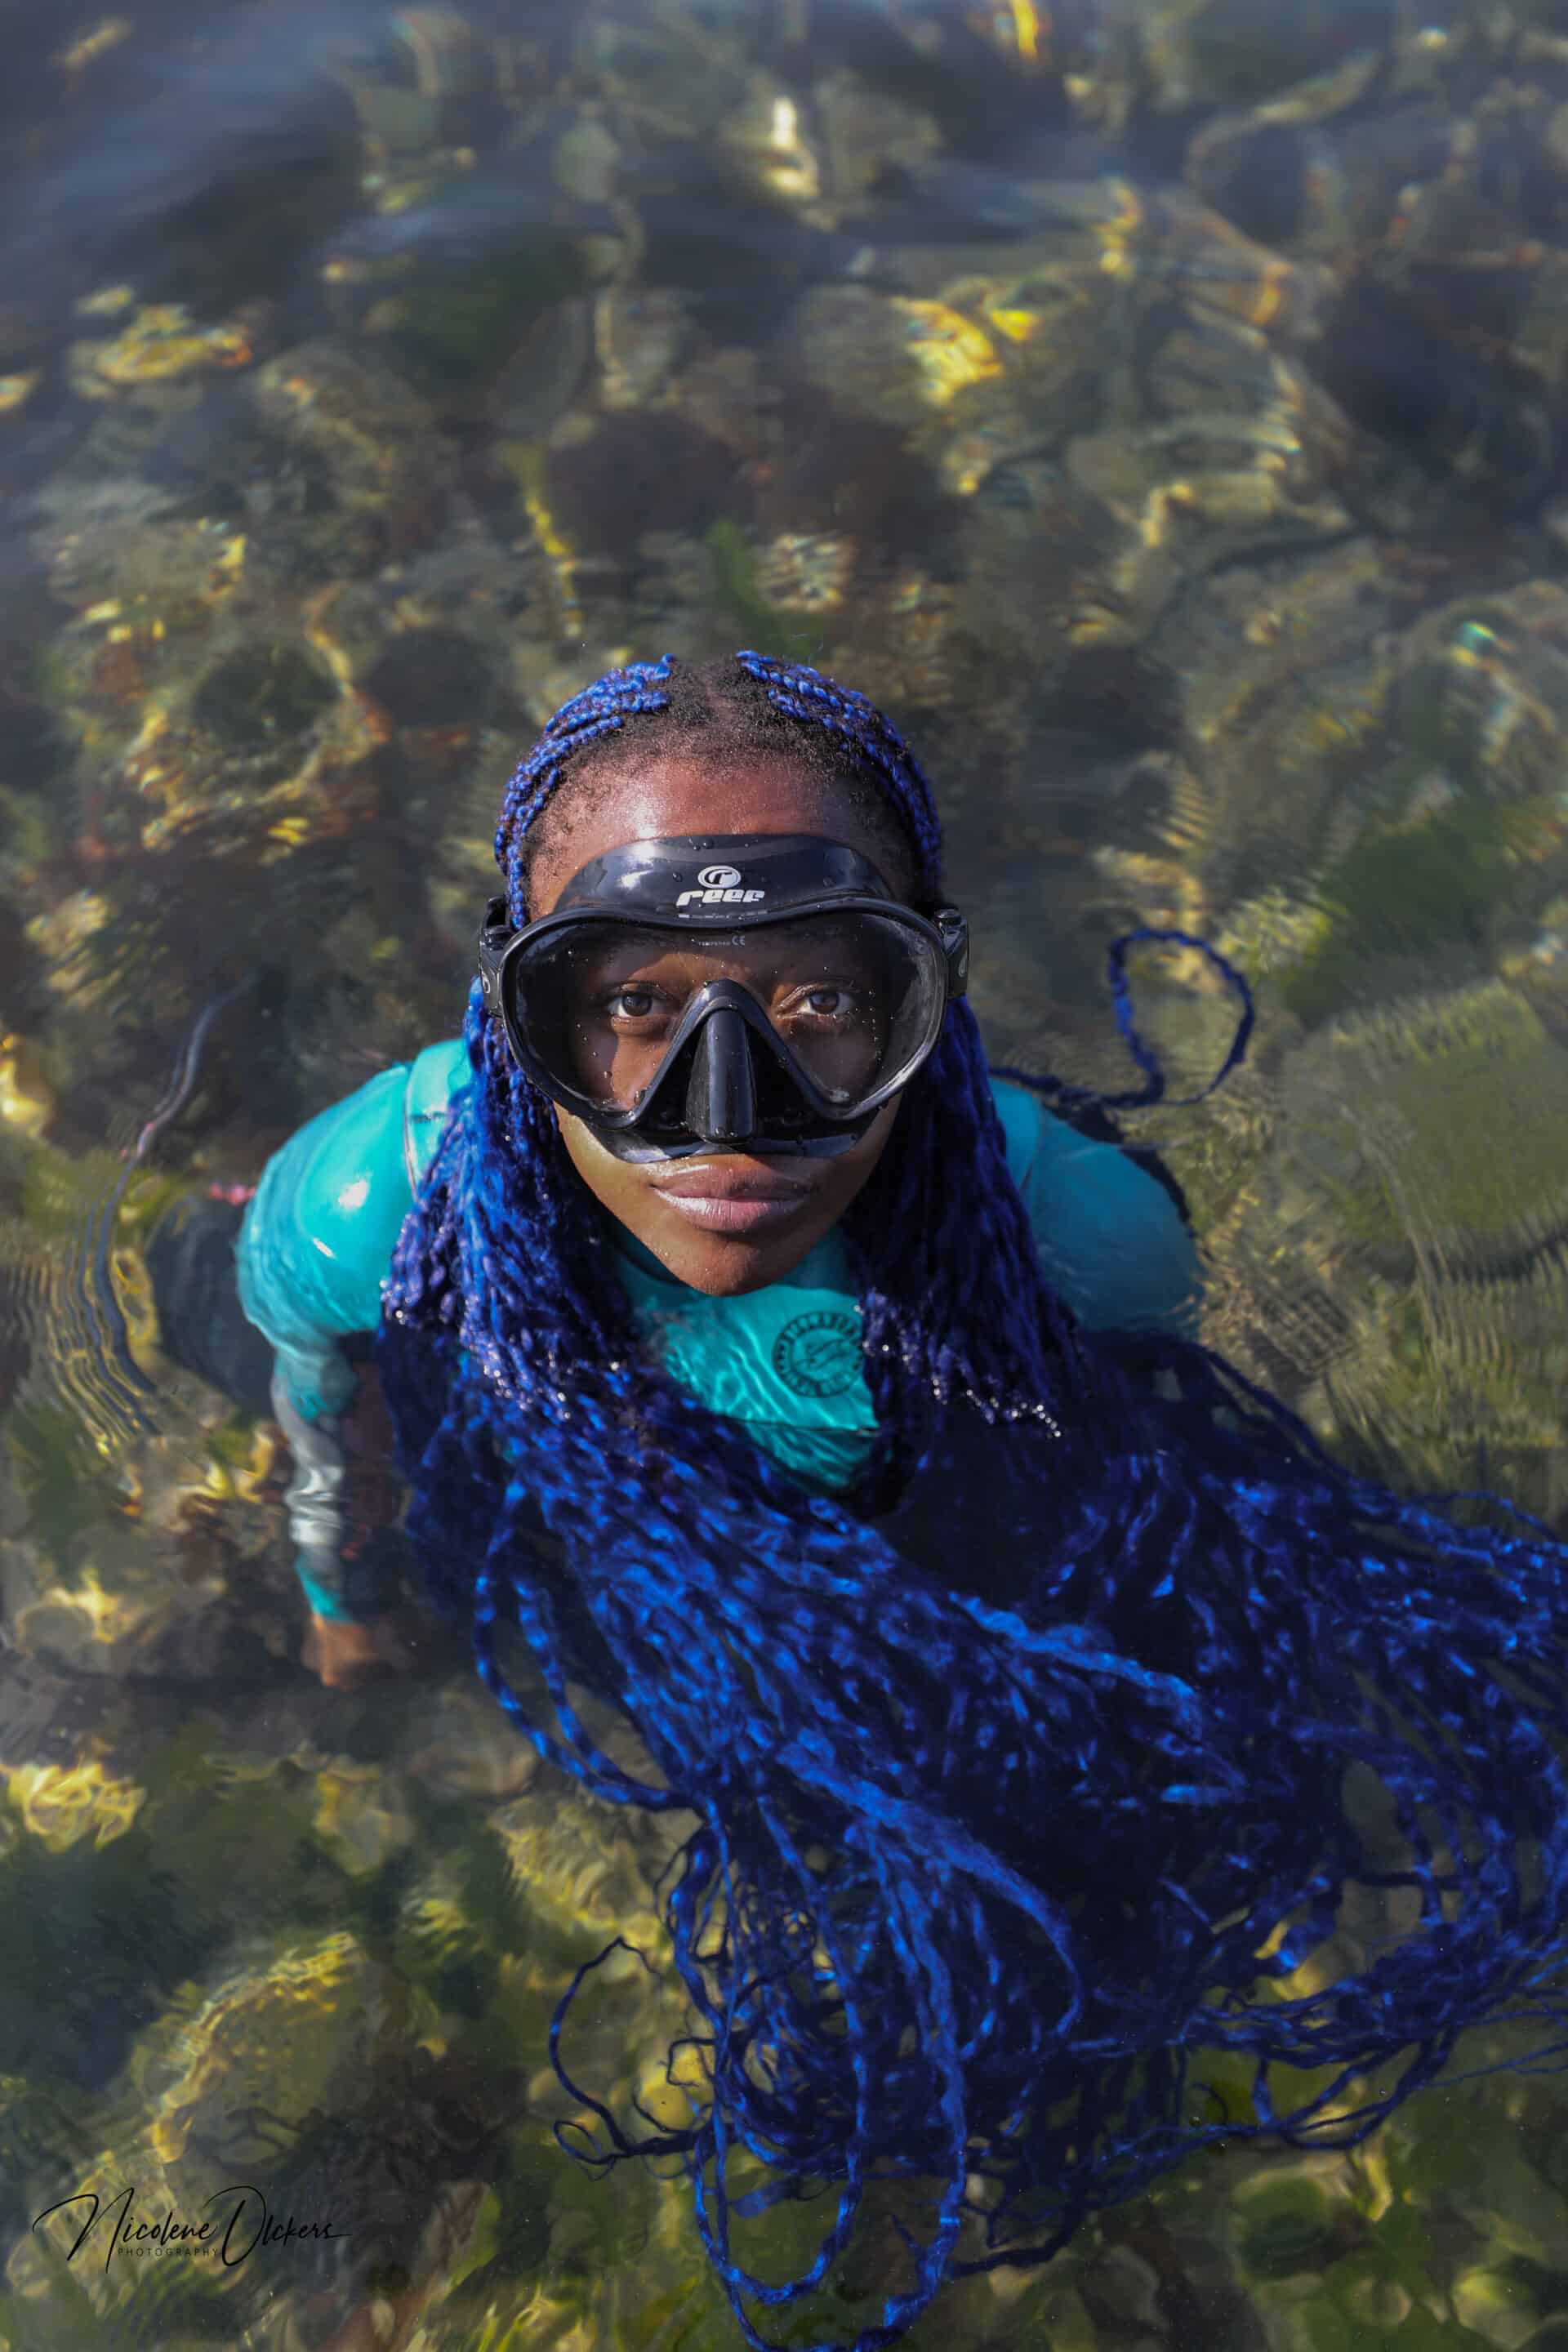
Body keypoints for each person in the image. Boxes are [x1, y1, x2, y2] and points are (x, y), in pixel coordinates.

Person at [160, 652, 1568, 2352]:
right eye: (629, 1004)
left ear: (934, 998)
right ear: (510, 1009)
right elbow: (326, 1406)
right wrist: (338, 1589)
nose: (726, 1122)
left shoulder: (1085, 1241)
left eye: (827, 1003)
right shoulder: (366, 1207)